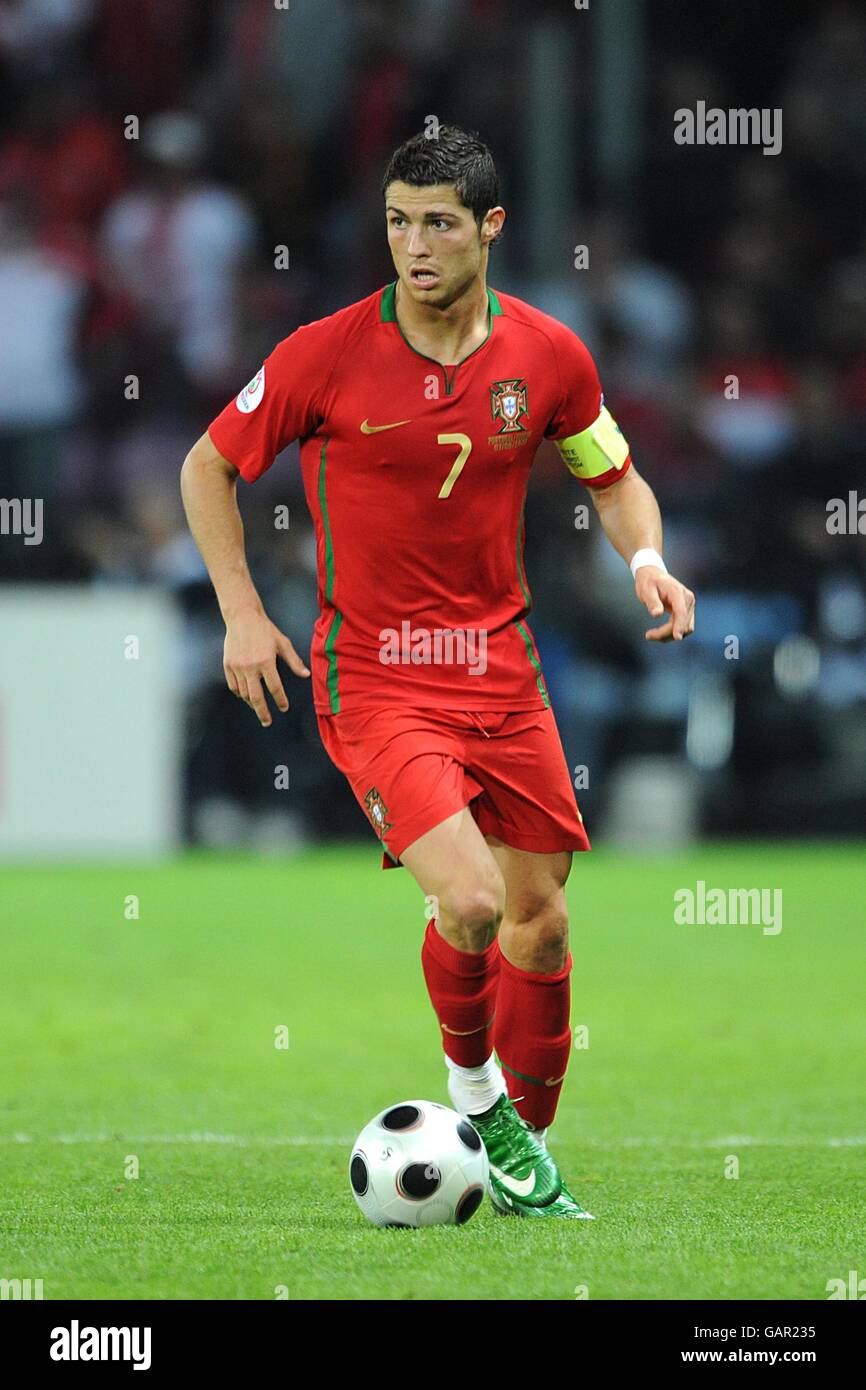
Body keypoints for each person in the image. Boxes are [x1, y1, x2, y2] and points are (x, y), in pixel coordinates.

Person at [180, 126, 695, 1220]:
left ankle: (523, 1151)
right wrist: (240, 611)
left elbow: (612, 477)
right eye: (397, 221)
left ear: (488, 228)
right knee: (465, 900)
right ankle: (477, 1100)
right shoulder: (324, 352)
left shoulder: (548, 355)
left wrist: (645, 559)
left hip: (501, 672)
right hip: (372, 674)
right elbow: (207, 465)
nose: (413, 246)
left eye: (438, 224)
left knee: (539, 922)